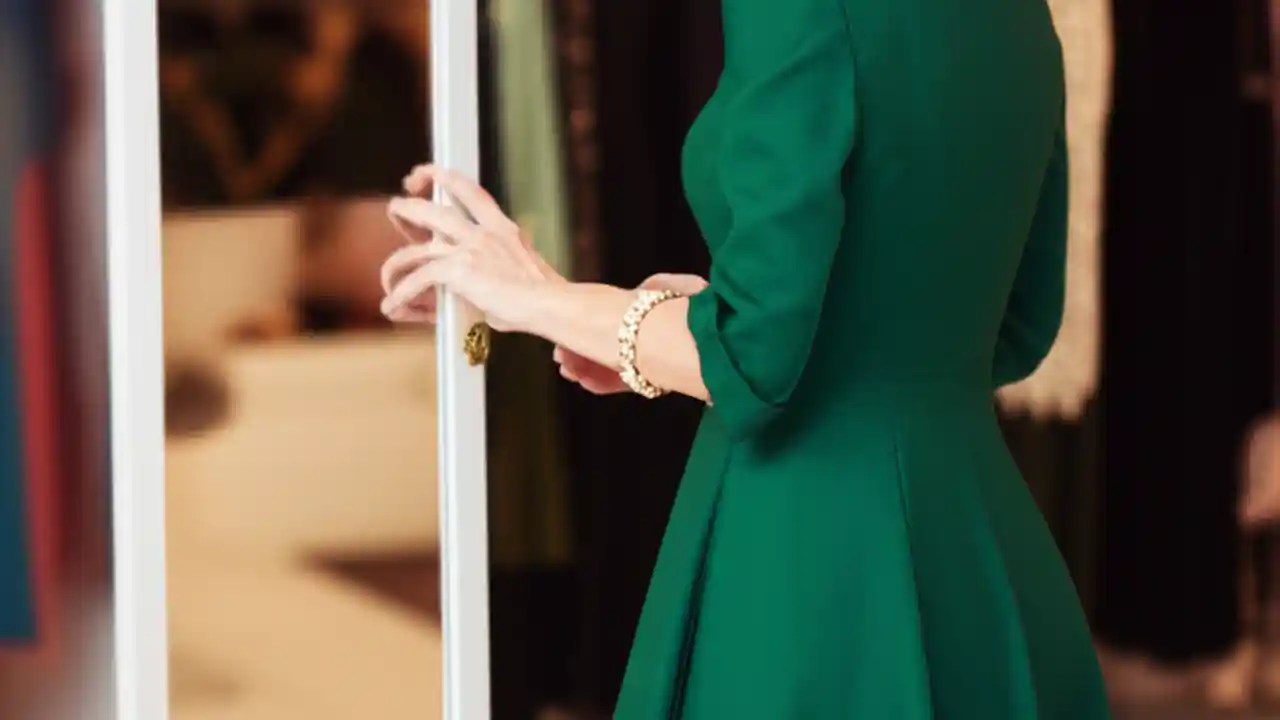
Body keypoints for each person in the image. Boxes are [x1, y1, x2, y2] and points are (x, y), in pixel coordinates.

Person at [379, 0, 1111, 715]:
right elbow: (1015, 326)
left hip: (810, 560)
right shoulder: (1025, 17)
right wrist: (686, 317)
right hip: (983, 557)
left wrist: (533, 298)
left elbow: (752, 358)